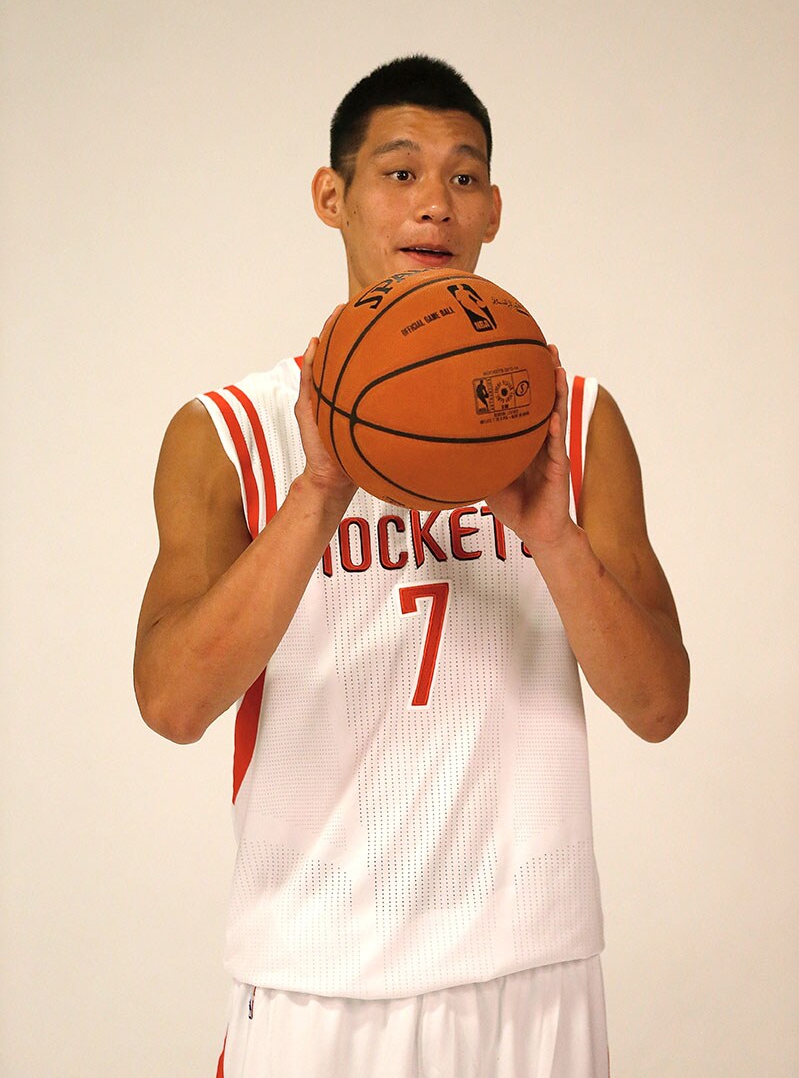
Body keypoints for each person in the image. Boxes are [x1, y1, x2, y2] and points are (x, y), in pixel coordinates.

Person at [134, 55, 689, 1078]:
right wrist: (319, 491)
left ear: (492, 211)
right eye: (399, 173)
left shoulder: (574, 420)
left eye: (463, 176)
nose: (434, 202)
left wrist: (549, 533)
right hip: (317, 976)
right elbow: (172, 702)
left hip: (534, 970)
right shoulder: (228, 434)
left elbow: (657, 702)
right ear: (330, 197)